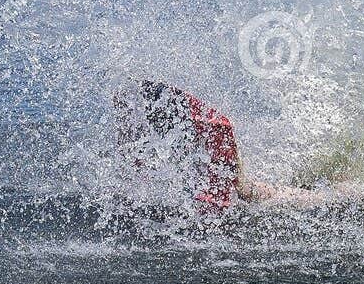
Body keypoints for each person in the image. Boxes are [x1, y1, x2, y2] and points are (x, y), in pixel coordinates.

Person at [114, 80, 347, 215]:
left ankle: (339, 194)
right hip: (230, 177)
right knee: (252, 191)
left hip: (239, 187)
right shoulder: (196, 140)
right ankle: (338, 193)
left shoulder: (211, 138)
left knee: (250, 191)